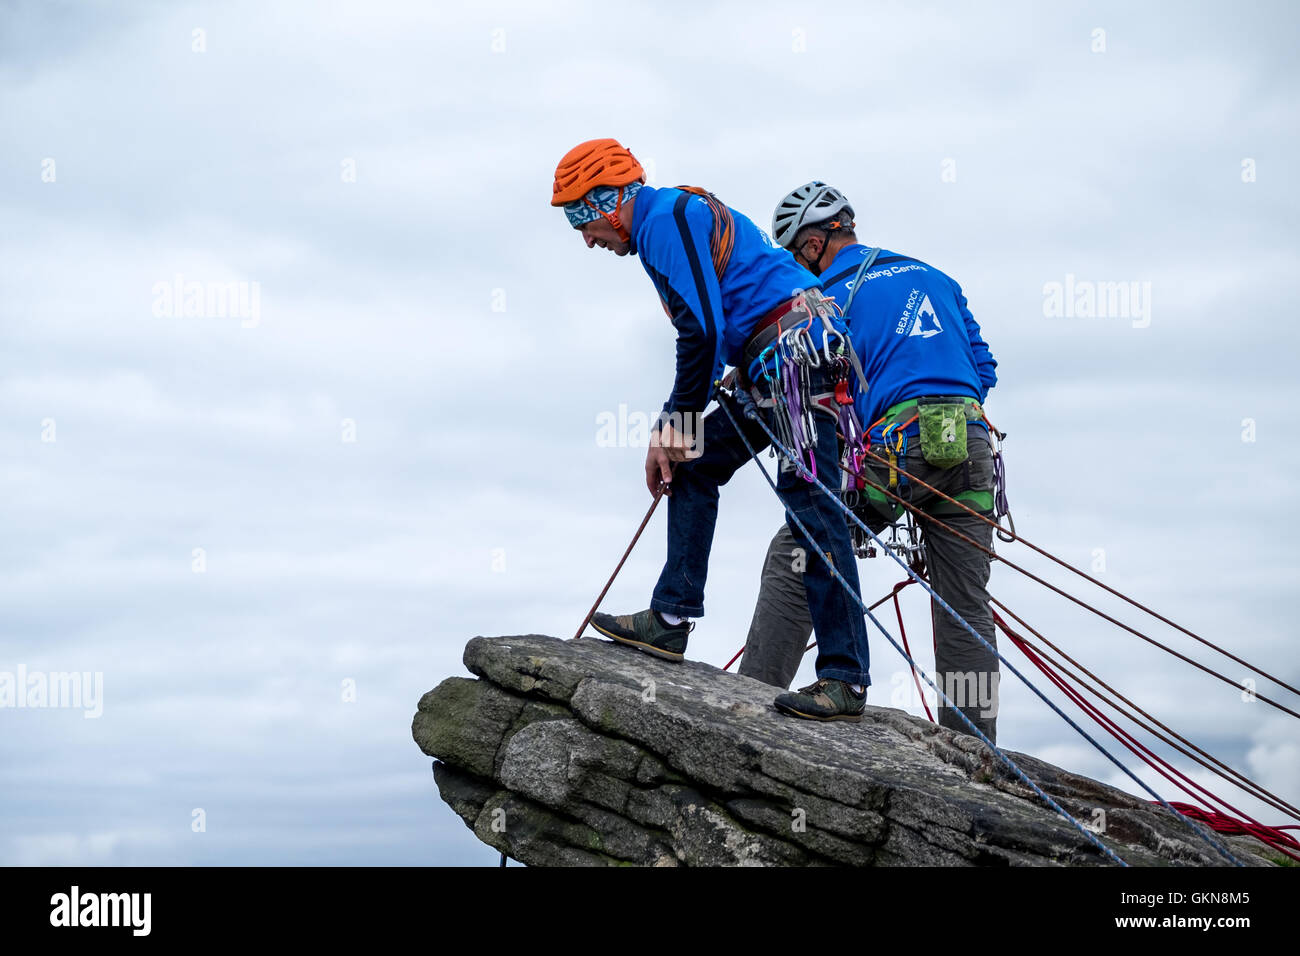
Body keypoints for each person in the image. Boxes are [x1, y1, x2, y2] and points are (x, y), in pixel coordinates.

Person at [551, 140, 871, 721]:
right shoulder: (667, 223)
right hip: (776, 363)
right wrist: (678, 428)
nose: (585, 237)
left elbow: (698, 329)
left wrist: (675, 420)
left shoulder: (664, 220)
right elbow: (715, 319)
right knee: (694, 465)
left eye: (581, 216)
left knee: (812, 509)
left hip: (795, 361)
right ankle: (670, 619)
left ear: (609, 198)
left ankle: (845, 677)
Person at [739, 181, 1002, 742]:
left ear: (811, 245)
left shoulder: (826, 295)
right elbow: (984, 370)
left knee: (800, 547)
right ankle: (973, 751)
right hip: (973, 447)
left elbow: (815, 378)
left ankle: (748, 702)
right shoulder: (938, 278)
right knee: (965, 606)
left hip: (897, 447)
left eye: (793, 255)